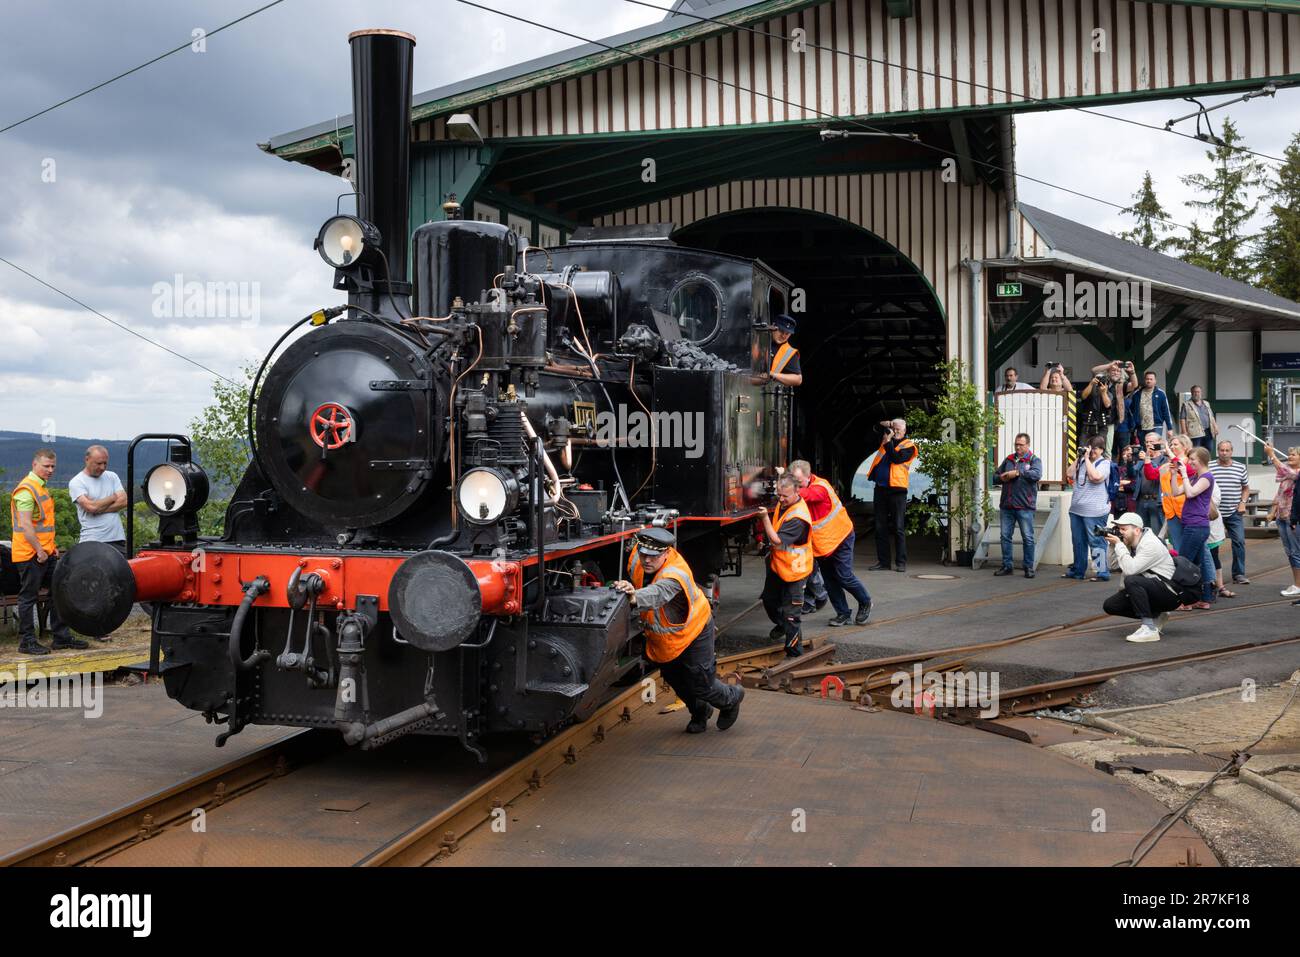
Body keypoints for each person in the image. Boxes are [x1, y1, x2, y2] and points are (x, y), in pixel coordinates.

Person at [612, 527, 743, 733]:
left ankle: (732, 698)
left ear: (666, 553)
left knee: (701, 682)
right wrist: (625, 585)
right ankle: (700, 712)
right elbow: (633, 575)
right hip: (669, 637)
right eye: (644, 554)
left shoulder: (676, 574)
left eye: (653, 556)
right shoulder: (638, 558)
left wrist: (633, 596)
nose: (646, 560)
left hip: (694, 629)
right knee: (677, 680)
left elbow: (658, 593)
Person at [9, 449, 88, 655]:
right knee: (28, 597)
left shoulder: (40, 487)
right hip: (30, 554)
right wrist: (39, 551)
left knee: (59, 591)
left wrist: (49, 550)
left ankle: (61, 637)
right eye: (46, 466)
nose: (50, 470)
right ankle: (27, 641)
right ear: (35, 465)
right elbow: (26, 525)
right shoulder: (26, 489)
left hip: (45, 552)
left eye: (53, 466)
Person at [789, 460, 871, 626]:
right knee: (830, 581)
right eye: (793, 482)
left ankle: (865, 601)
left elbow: (809, 495)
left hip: (841, 537)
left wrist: (787, 489)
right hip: (823, 545)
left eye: (798, 482)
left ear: (808, 476)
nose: (796, 486)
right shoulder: (803, 487)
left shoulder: (820, 487)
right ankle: (843, 613)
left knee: (844, 576)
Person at [1100, 513, 1181, 643]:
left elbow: (1130, 570)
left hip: (1170, 593)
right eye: (1119, 529)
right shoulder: (1130, 542)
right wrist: (1113, 545)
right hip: (1153, 587)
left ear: (1137, 530)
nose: (1120, 532)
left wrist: (1119, 544)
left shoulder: (1150, 544)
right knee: (1111, 605)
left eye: (1124, 529)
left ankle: (1149, 629)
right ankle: (1156, 614)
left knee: (1132, 580)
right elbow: (1113, 565)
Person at [757, 474, 814, 656]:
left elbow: (777, 540)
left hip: (795, 571)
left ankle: (794, 652)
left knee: (792, 613)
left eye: (785, 496)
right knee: (769, 599)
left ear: (797, 492)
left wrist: (764, 518)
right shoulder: (785, 504)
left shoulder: (798, 517)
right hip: (779, 566)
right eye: (779, 495)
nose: (781, 500)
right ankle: (782, 625)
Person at [1170, 446, 1217, 610]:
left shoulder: (1206, 477)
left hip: (1196, 526)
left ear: (1202, 460)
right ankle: (1202, 598)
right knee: (1197, 564)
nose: (1189, 462)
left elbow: (1190, 494)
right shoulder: (1196, 477)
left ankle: (1185, 600)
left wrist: (1183, 474)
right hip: (1193, 525)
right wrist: (1174, 474)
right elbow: (1176, 492)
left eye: (1192, 459)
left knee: (1184, 563)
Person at [867, 418, 917, 573]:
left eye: (898, 429)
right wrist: (886, 424)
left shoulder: (909, 446)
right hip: (881, 489)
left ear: (904, 430)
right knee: (880, 527)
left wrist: (888, 441)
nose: (895, 431)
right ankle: (883, 562)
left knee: (898, 527)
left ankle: (901, 562)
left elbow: (896, 459)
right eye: (894, 428)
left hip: (897, 491)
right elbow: (874, 426)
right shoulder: (886, 437)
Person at [1063, 436, 1112, 581]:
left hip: (1095, 511)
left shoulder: (1104, 463)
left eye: (1094, 449)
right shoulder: (1082, 460)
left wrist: (1088, 460)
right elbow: (1069, 473)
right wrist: (1080, 458)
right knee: (1078, 541)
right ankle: (1078, 571)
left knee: (1096, 541)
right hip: (1076, 510)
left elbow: (1095, 477)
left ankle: (1102, 572)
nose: (1091, 452)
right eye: (1089, 448)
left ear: (1102, 449)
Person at [993, 433, 1041, 578]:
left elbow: (1037, 475)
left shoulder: (1034, 460)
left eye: (1021, 444)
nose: (1018, 447)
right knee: (1005, 536)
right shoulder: (1008, 459)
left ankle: (1028, 567)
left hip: (1025, 506)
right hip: (1007, 506)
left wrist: (1018, 473)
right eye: (1016, 444)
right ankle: (1007, 566)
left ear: (1028, 445)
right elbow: (994, 477)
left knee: (1028, 538)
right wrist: (1001, 477)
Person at [68, 446, 128, 554]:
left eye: (105, 463)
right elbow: (91, 507)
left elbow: (124, 501)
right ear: (87, 460)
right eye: (99, 463)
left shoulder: (112, 476)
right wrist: (112, 497)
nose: (102, 467)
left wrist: (99, 509)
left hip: (117, 540)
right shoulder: (77, 482)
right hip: (92, 540)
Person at [1208, 439, 1250, 585]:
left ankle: (1239, 574)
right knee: (1213, 544)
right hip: (1214, 513)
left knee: (1239, 541)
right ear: (1217, 451)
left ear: (1232, 452)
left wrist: (1242, 503)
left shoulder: (1240, 467)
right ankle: (1212, 575)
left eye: (1227, 450)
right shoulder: (1210, 466)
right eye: (1221, 450)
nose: (1224, 453)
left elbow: (1245, 488)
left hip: (1234, 511)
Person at [1263, 442, 1300, 599]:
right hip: (1282, 516)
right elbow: (1280, 494)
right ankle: (1296, 583)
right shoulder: (1286, 474)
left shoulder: (1297, 473)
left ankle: (1298, 585)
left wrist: (1271, 454)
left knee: (1296, 551)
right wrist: (1273, 512)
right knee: (1290, 552)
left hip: (1293, 517)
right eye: (1289, 454)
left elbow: (1286, 470)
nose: (1290, 456)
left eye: (1293, 454)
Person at [1157, 433, 1192, 549]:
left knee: (1191, 547)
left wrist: (1169, 453)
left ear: (1185, 446)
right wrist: (1147, 456)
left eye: (1175, 444)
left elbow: (1182, 466)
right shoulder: (1167, 465)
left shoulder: (1189, 462)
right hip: (1170, 511)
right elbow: (1151, 474)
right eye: (1170, 445)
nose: (1171, 447)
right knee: (1177, 546)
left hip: (1186, 510)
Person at [1132, 432, 1167, 536]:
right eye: (1147, 442)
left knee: (1157, 535)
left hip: (1156, 501)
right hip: (1141, 501)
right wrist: (1130, 460)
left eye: (1151, 442)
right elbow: (1132, 473)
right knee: (1140, 534)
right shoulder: (1142, 460)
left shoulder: (1165, 460)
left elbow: (1157, 473)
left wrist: (1147, 460)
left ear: (1159, 443)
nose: (1148, 444)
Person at [1126, 371, 1174, 440]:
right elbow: (1132, 411)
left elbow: (1166, 411)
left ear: (1155, 381)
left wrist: (1170, 428)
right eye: (1147, 379)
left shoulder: (1161, 394)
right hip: (1141, 427)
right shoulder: (1137, 394)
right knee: (1143, 448)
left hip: (1156, 426)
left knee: (1155, 447)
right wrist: (1134, 426)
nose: (1149, 381)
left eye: (1151, 379)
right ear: (1144, 380)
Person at [1079, 372, 1116, 450]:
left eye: (1103, 381)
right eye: (1098, 380)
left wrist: (1103, 393)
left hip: (1101, 427)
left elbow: (1107, 405)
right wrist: (1091, 384)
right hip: (1087, 425)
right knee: (1083, 449)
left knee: (1099, 450)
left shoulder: (1109, 393)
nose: (1100, 383)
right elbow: (1083, 396)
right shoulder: (1090, 389)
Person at [1180, 385, 1218, 453]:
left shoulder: (1206, 403)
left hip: (1208, 430)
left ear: (1201, 393)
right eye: (1195, 392)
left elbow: (1211, 416)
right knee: (1196, 450)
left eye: (1198, 392)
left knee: (1209, 448)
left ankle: (1206, 463)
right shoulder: (1186, 404)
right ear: (1191, 393)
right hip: (1195, 432)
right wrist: (1184, 432)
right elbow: (1182, 418)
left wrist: (1215, 427)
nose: (1196, 393)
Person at [768, 314, 802, 387]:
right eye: (781, 331)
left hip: (767, 393)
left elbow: (798, 379)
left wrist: (771, 374)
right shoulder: (758, 340)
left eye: (787, 333)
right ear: (773, 326)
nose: (783, 336)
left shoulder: (789, 352)